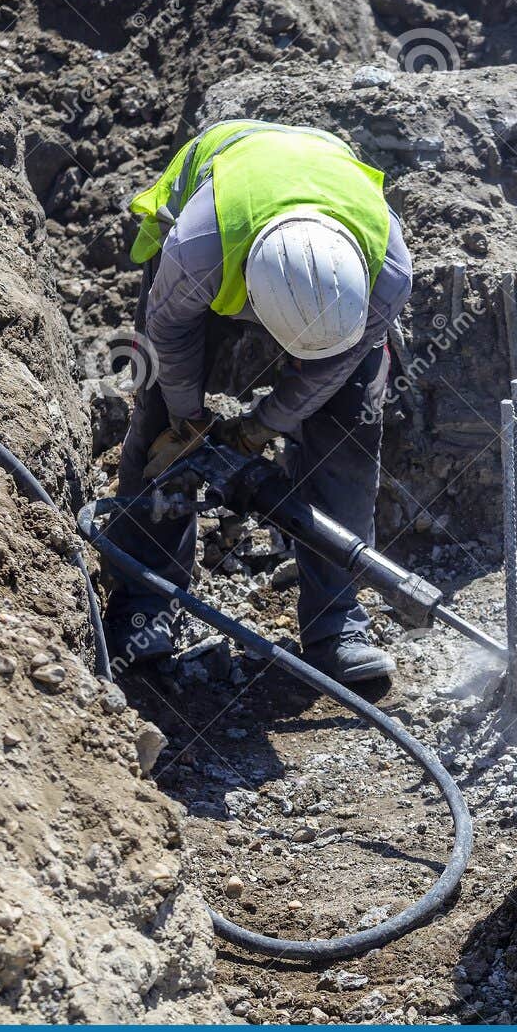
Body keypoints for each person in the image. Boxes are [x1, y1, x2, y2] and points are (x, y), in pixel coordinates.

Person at [106, 119, 412, 684]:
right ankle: (145, 600)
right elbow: (170, 336)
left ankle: (336, 622)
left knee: (348, 429)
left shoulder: (386, 275)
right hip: (225, 225)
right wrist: (188, 421)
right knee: (157, 419)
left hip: (325, 267)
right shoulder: (197, 253)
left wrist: (259, 428)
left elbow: (335, 367)